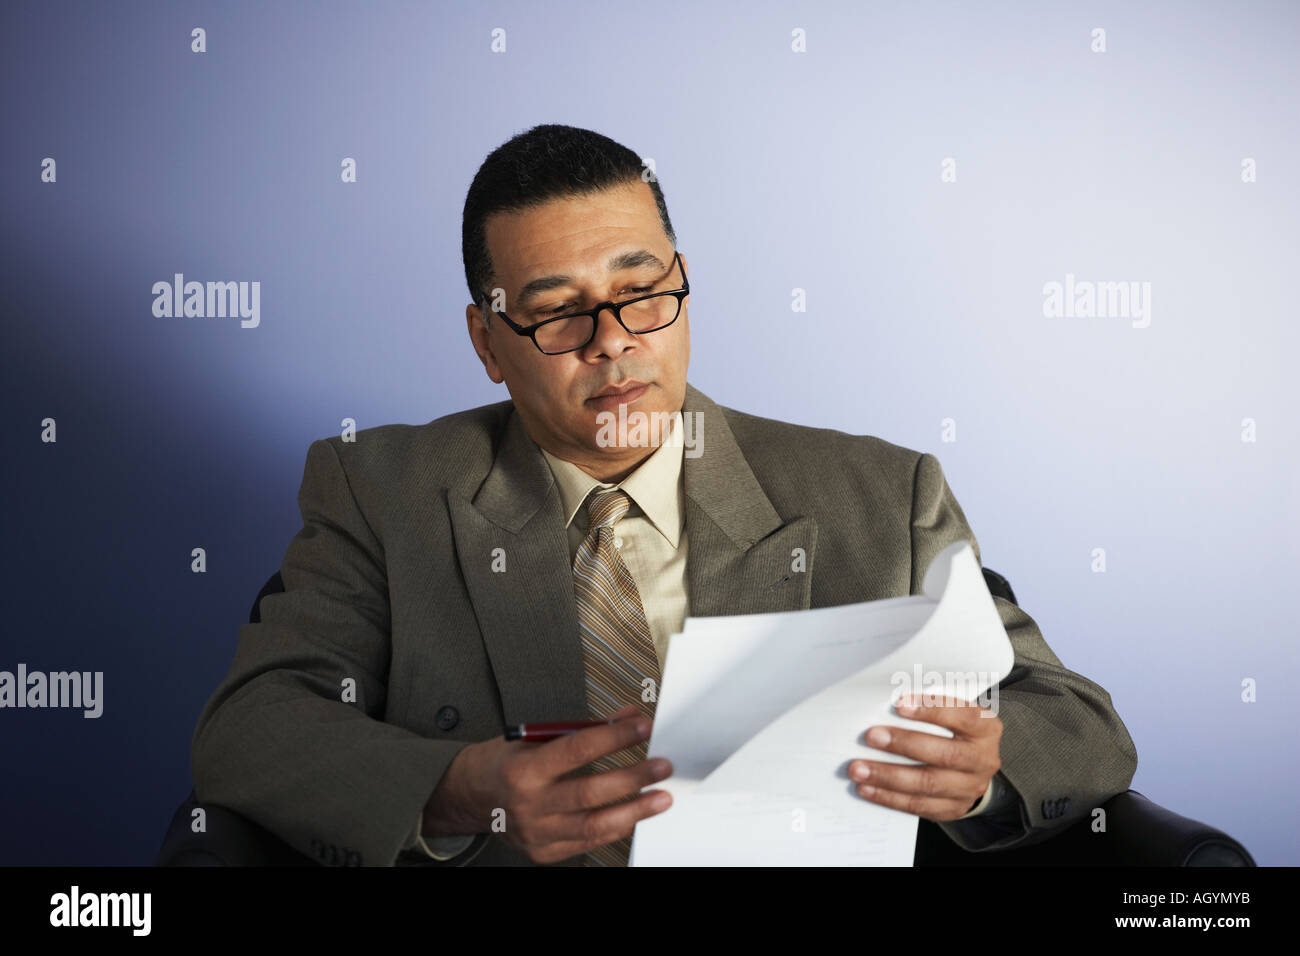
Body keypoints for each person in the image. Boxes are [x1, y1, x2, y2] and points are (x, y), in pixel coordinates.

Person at [190, 124, 1138, 867]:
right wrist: (452, 786)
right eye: (559, 311)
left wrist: (983, 771)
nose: (614, 341)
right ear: (487, 343)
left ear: (682, 286)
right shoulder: (381, 490)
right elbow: (250, 730)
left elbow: (1080, 725)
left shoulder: (881, 494)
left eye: (641, 291)